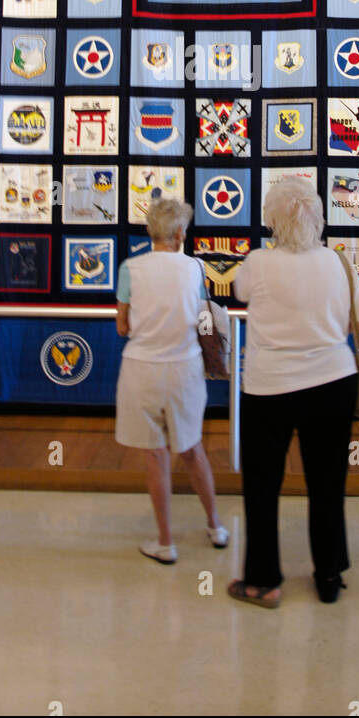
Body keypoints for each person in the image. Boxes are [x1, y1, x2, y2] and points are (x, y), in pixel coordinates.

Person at [229, 176, 359, 608]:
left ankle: (263, 581)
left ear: (272, 221)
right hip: (333, 383)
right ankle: (328, 577)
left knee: (261, 485)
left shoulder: (257, 262)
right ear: (319, 218)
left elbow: (239, 294)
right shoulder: (338, 262)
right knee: (328, 482)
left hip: (269, 388)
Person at [115, 197, 228, 564]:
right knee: (193, 451)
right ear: (181, 233)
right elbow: (204, 320)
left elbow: (122, 326)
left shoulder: (130, 268)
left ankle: (166, 543)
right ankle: (215, 527)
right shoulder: (196, 268)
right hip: (185, 370)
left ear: (150, 231)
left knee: (155, 456)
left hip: (141, 370)